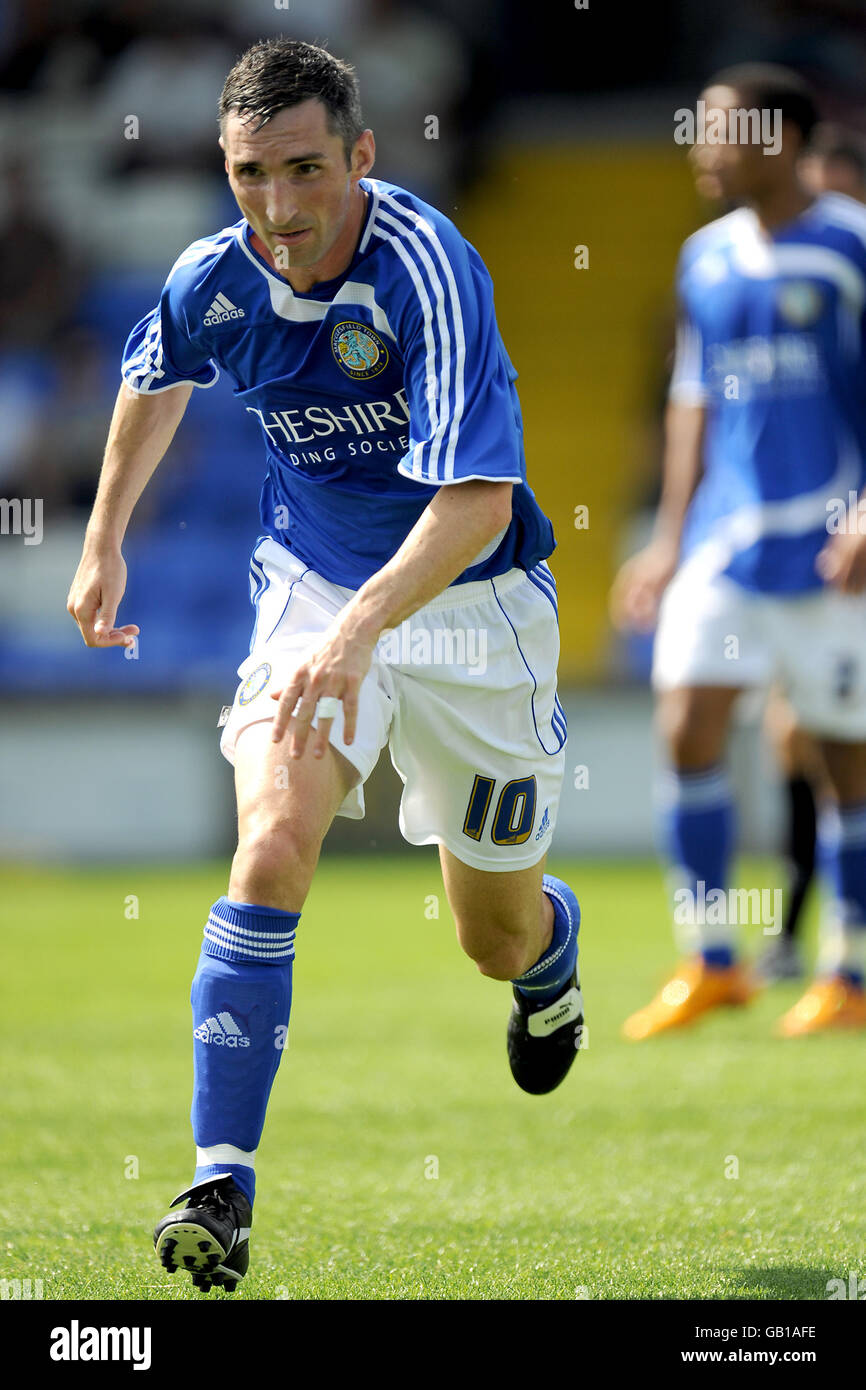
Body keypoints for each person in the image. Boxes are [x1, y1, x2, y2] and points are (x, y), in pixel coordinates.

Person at [66, 37, 583, 1293]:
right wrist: (103, 542)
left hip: (474, 608)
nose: (279, 207)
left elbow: (474, 494)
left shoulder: (425, 266)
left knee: (491, 936)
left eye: (305, 169)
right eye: (250, 174)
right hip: (309, 592)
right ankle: (220, 1179)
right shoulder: (214, 275)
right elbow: (152, 375)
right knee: (269, 848)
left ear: (360, 153)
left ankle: (548, 950)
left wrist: (367, 633)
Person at [610, 63, 866, 1043]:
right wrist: (667, 537)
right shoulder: (702, 259)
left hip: (831, 550)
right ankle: (710, 959)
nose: (697, 150)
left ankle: (845, 970)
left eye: (715, 131)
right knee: (684, 726)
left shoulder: (848, 248)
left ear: (779, 140)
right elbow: (691, 399)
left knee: (843, 762)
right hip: (724, 540)